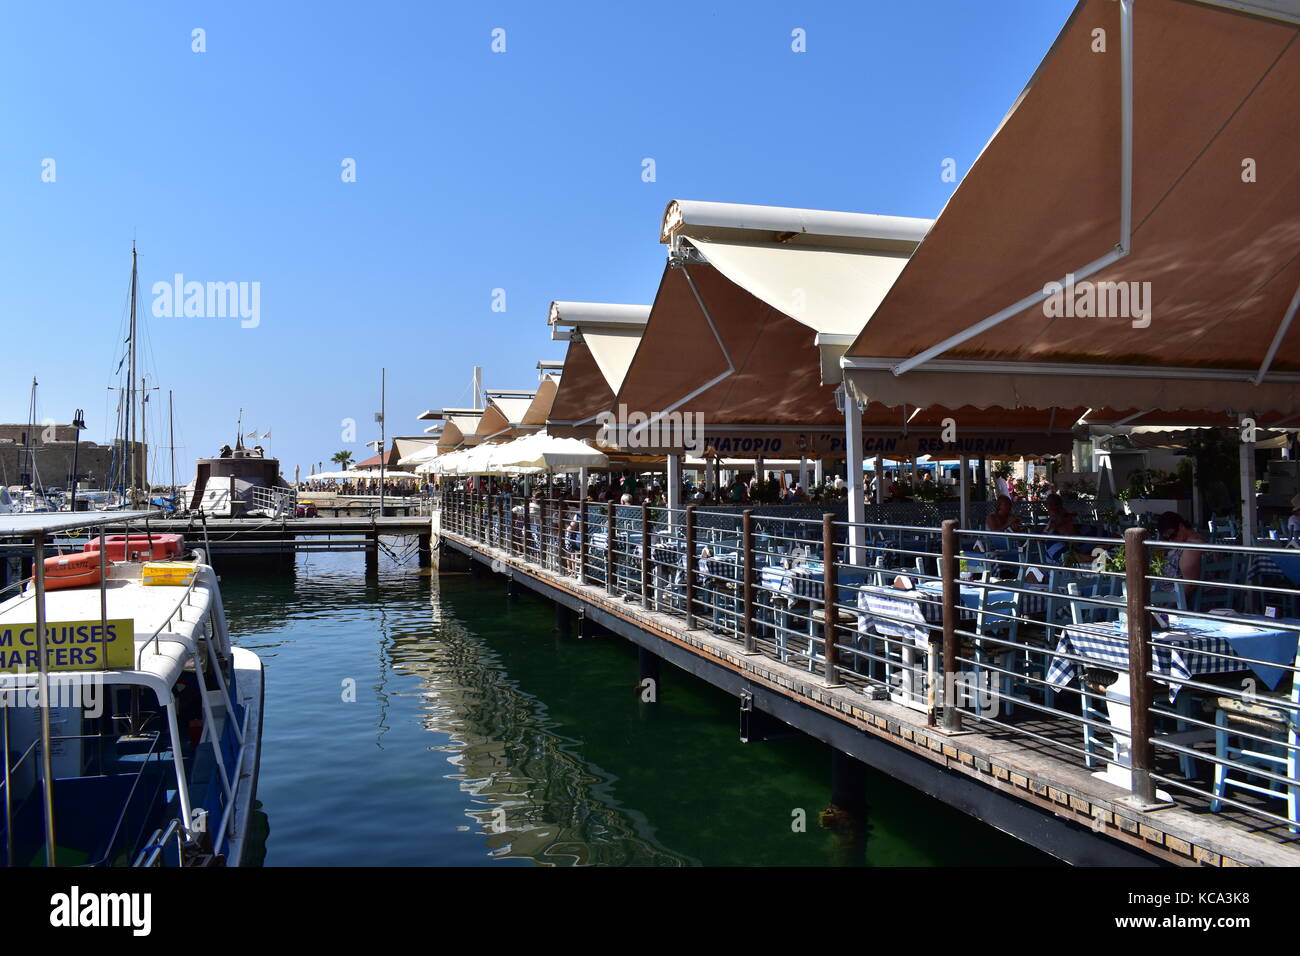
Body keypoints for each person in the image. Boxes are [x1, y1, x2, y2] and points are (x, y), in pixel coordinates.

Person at [1156, 511, 1204, 584]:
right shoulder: (1189, 540)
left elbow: (1189, 585)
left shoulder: (1190, 549)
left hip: (1172, 592)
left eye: (1172, 535)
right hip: (1163, 586)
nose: (1170, 541)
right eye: (1166, 539)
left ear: (1181, 526)